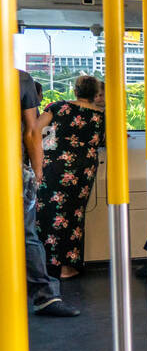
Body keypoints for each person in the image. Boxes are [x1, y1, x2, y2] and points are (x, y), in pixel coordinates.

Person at [17, 69, 77, 317]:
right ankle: (45, 296)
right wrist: (37, 170)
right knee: (28, 234)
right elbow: (32, 131)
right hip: (12, 168)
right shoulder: (19, 79)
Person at [34, 75, 105, 279]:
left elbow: (35, 131)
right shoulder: (100, 116)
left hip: (55, 165)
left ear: (75, 91)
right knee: (74, 215)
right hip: (83, 170)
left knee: (47, 212)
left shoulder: (57, 107)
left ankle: (44, 265)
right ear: (95, 94)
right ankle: (67, 268)